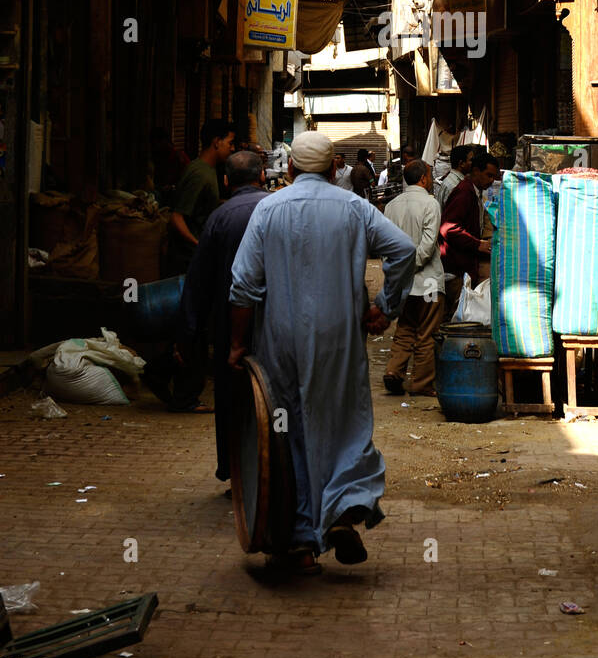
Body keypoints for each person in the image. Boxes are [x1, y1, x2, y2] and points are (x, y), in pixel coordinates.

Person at [228, 130, 416, 573]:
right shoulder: (354, 208)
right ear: (335, 169)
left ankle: (299, 541)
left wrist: (237, 346)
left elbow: (243, 285)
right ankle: (343, 511)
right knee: (343, 422)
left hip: (279, 342)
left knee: (286, 431)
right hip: (340, 339)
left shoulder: (268, 209)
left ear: (290, 169)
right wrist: (384, 308)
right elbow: (404, 250)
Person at [173, 151, 270, 474]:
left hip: (230, 327)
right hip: (276, 324)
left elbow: (197, 282)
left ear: (226, 181)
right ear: (262, 176)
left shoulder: (220, 218)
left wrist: (187, 336)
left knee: (231, 396)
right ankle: (273, 470)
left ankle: (235, 469)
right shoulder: (279, 210)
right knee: (275, 398)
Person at [381, 160, 445, 397]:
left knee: (406, 327)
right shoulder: (430, 203)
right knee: (427, 332)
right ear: (423, 179)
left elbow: (386, 244)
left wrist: (401, 269)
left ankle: (394, 370)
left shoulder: (392, 205)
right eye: (429, 175)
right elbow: (427, 246)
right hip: (427, 281)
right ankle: (422, 383)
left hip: (403, 283)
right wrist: (411, 265)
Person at [165, 119, 236, 276]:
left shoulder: (208, 169)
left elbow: (202, 203)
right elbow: (177, 217)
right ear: (217, 142)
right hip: (188, 260)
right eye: (230, 143)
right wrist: (198, 244)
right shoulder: (199, 174)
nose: (233, 148)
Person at [439, 153, 500, 320]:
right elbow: (448, 228)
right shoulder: (464, 192)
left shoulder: (474, 192)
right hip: (457, 269)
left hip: (463, 267)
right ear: (475, 171)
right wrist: (476, 244)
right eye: (488, 175)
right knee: (453, 318)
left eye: (493, 177)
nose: (491, 181)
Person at [435, 143, 474, 211]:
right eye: (471, 160)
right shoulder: (455, 185)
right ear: (461, 164)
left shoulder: (452, 180)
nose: (473, 163)